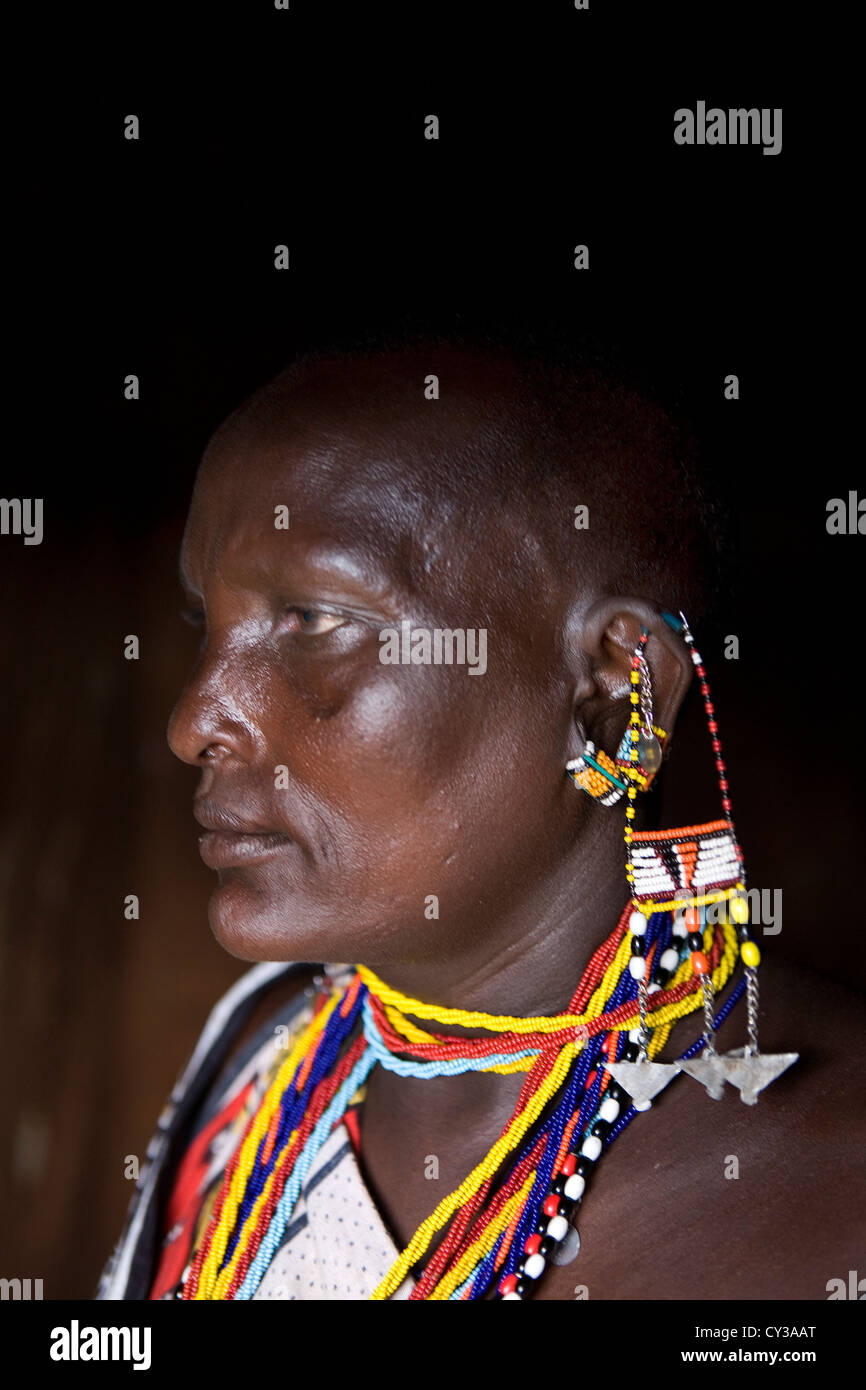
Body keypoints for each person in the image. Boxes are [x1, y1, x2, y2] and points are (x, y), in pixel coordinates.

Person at [97, 332, 865, 1301]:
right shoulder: (259, 1053)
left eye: (315, 621)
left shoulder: (828, 1187)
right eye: (204, 627)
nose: (195, 720)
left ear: (610, 691)